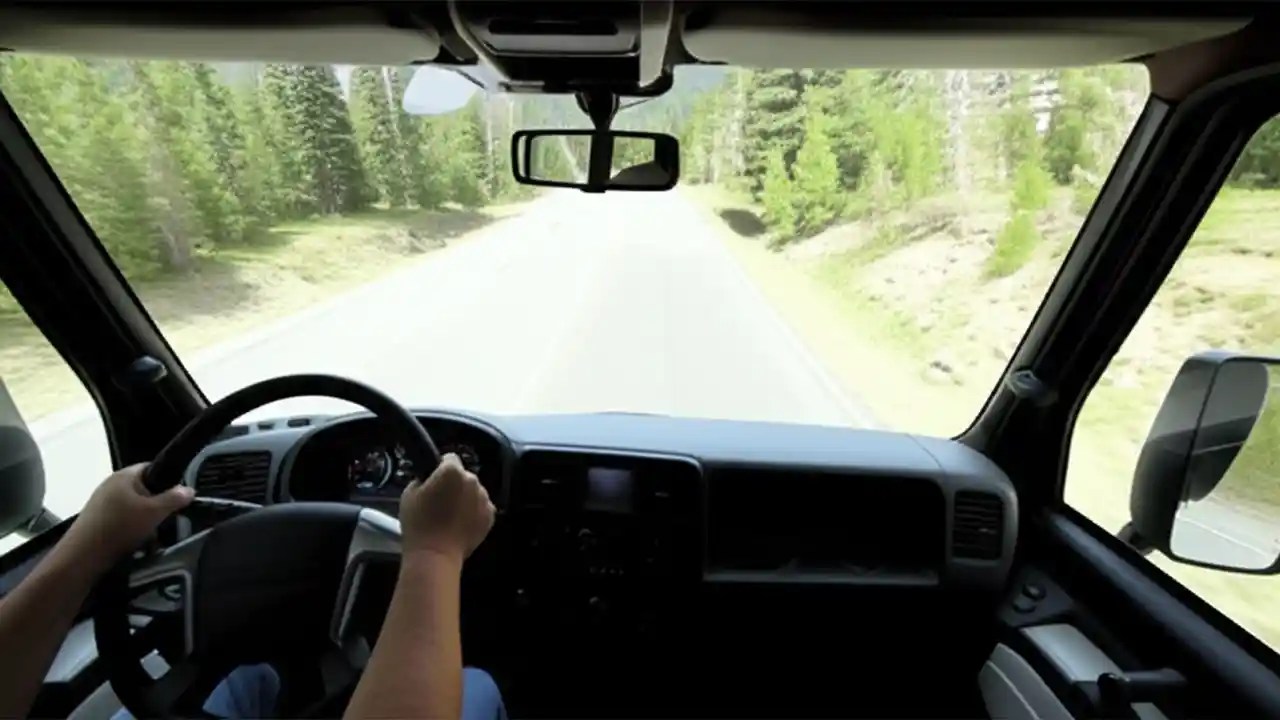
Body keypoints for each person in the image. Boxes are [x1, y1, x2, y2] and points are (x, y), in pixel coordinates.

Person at [0, 454, 501, 719]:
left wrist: (90, 543)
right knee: (476, 685)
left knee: (254, 679)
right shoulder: (434, 546)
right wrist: (434, 552)